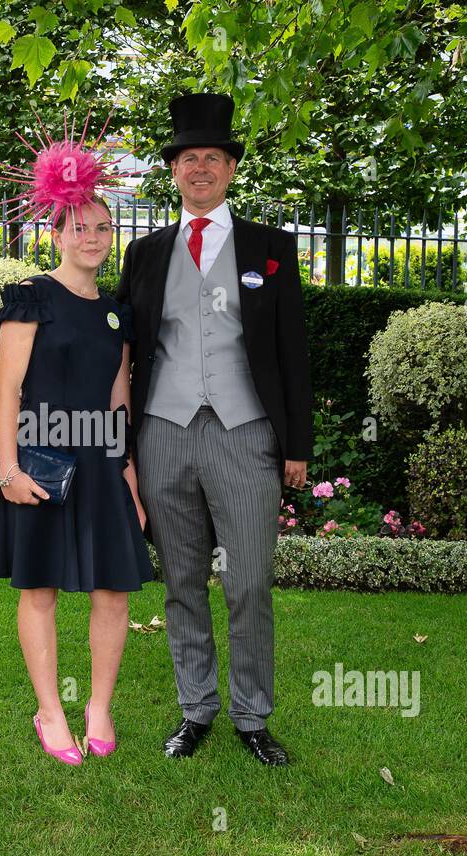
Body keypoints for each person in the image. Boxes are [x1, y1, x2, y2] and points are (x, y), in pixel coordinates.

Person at [116, 93, 314, 767]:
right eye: (188, 158)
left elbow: (292, 352)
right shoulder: (144, 253)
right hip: (164, 432)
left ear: (230, 169)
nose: (200, 168)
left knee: (250, 580)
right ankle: (196, 707)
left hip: (244, 432)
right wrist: (123, 447)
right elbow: (126, 353)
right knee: (181, 580)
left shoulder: (272, 248)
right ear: (173, 171)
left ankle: (253, 715)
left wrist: (297, 447)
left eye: (213, 158)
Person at [0, 130, 152, 766]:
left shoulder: (116, 311)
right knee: (40, 588)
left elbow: (118, 394)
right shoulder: (31, 296)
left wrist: (128, 472)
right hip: (41, 457)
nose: (92, 237)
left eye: (102, 227)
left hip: (101, 461)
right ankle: (50, 711)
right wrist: (9, 469)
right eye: (78, 227)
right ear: (56, 233)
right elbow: (7, 389)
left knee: (113, 589)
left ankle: (98, 706)